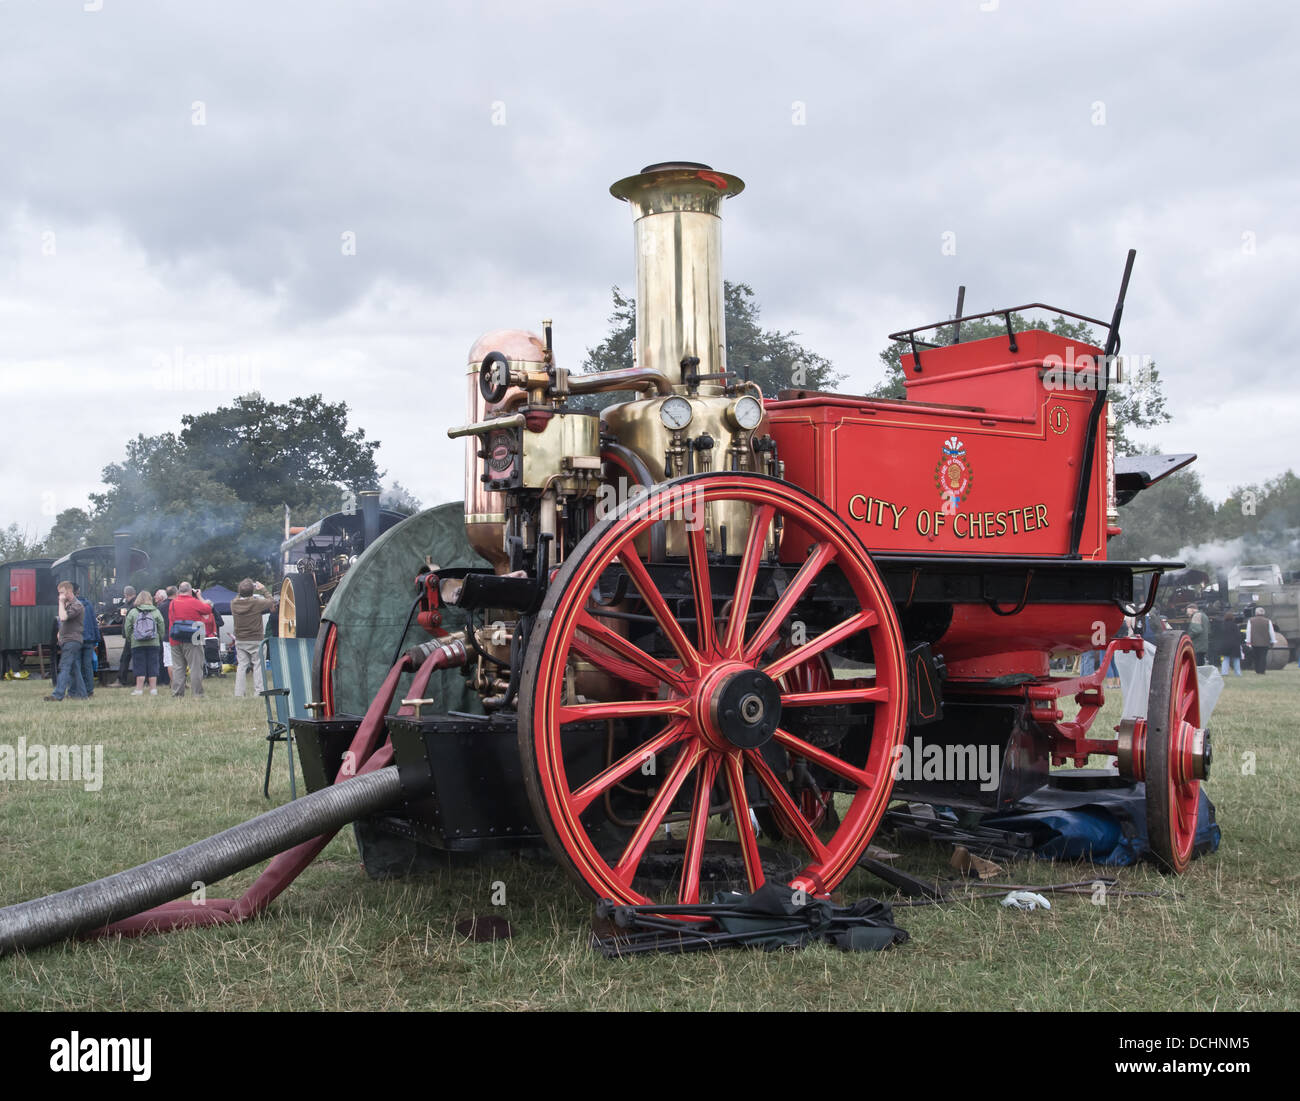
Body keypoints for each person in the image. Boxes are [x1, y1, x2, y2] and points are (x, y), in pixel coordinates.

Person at [230, 579, 277, 697]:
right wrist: (263, 589)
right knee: (258, 665)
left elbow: (238, 596)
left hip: (240, 639)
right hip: (256, 639)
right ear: (252, 591)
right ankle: (259, 691)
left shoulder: (233, 603)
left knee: (241, 666)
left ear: (239, 592)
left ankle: (239, 693)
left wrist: (242, 590)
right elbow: (271, 601)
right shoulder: (256, 603)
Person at [168, 581, 213, 697]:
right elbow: (208, 609)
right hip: (194, 637)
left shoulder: (173, 603)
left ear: (179, 591)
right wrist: (199, 596)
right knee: (195, 667)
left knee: (178, 668)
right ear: (190, 590)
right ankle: (197, 693)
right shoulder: (194, 602)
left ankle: (177, 693)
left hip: (175, 638)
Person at [45, 581, 88, 701]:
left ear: (69, 591)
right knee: (75, 669)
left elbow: (63, 617)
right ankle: (82, 695)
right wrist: (60, 632)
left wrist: (60, 602)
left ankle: (57, 695)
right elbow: (63, 621)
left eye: (62, 592)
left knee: (64, 666)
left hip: (72, 641)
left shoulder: (77, 605)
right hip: (67, 640)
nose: (60, 595)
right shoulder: (68, 605)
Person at [123, 590, 166, 695]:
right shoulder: (155, 611)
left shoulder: (133, 612)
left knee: (139, 665)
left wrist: (130, 639)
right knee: (153, 665)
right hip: (153, 643)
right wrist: (159, 637)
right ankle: (153, 689)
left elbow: (127, 628)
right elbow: (161, 627)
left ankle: (139, 689)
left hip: (137, 643)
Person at [74, 582, 101, 697]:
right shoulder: (88, 604)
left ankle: (79, 691)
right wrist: (97, 638)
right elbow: (94, 622)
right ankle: (89, 690)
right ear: (79, 591)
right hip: (89, 639)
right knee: (88, 665)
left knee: (77, 665)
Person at [1245, 607, 1277, 675]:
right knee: (1263, 657)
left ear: (1256, 613)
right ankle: (1262, 670)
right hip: (1265, 643)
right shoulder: (1268, 621)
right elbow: (1271, 632)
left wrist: (1248, 641)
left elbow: (1248, 631)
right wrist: (1273, 641)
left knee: (1256, 657)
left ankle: (1257, 670)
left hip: (1254, 642)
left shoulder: (1251, 620)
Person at [116, 584, 137, 686]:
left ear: (126, 594)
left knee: (125, 658)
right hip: (135, 635)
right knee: (134, 657)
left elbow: (126, 618)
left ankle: (122, 679)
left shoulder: (131, 605)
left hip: (132, 635)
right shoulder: (135, 603)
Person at [154, 589, 172, 686]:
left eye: (156, 595)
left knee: (164, 659)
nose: (154, 597)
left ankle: (163, 680)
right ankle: (170, 679)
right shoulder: (174, 605)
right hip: (174, 634)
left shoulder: (160, 608)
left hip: (163, 635)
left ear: (161, 597)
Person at [1217, 611, 1243, 677]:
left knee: (1225, 659)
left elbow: (1219, 635)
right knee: (1236, 659)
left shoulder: (1222, 625)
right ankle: (1238, 673)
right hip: (1234, 644)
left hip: (1225, 644)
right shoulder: (1235, 625)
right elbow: (1238, 635)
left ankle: (1224, 672)